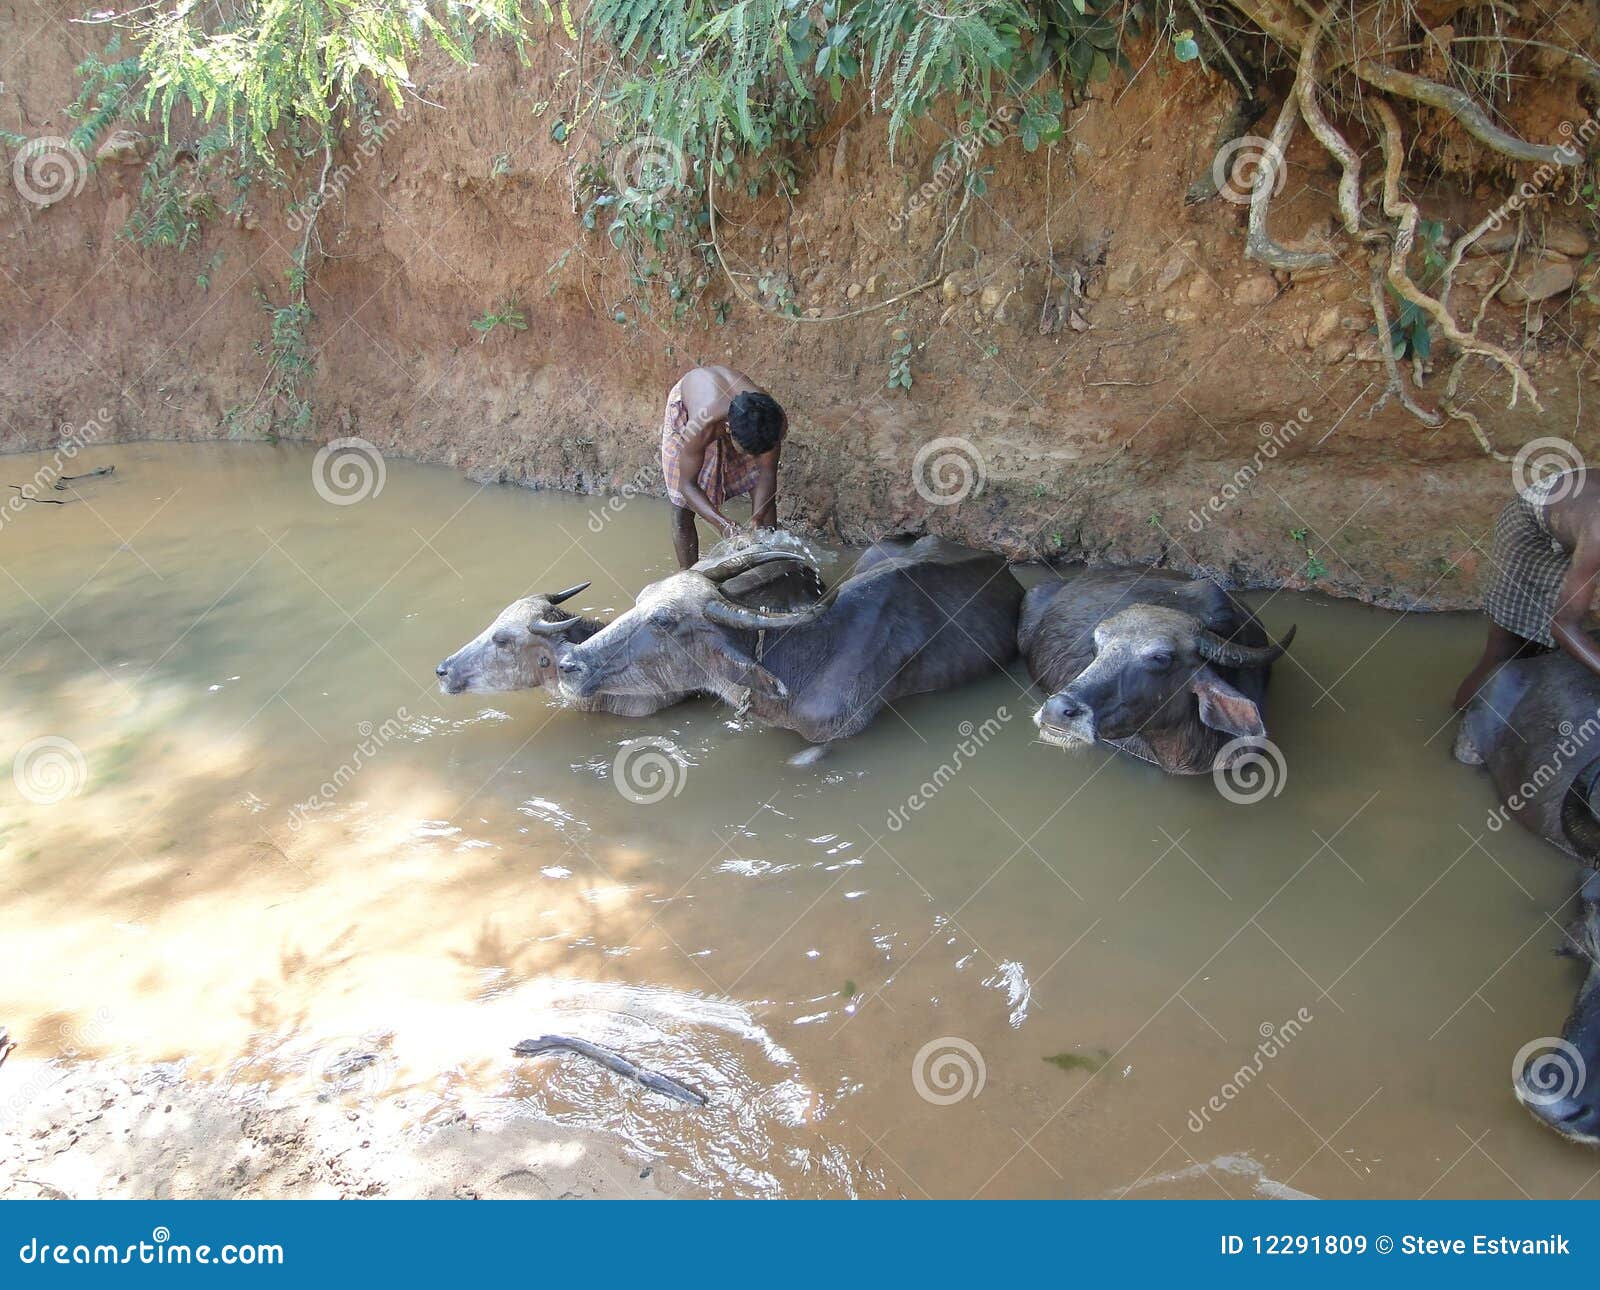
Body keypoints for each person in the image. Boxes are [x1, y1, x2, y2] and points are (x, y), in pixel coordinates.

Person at [1454, 467, 1600, 709]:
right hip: (1532, 527)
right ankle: (1466, 721)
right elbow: (1564, 626)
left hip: (1574, 512)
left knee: (1545, 650)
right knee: (1506, 651)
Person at [660, 365, 785, 568]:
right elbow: (687, 485)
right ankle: (688, 574)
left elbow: (767, 473)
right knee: (681, 507)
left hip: (742, 414)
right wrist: (723, 524)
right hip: (692, 407)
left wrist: (757, 520)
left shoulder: (771, 419)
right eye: (748, 452)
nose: (754, 458)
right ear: (727, 429)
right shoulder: (699, 427)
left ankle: (771, 560)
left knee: (764, 501)